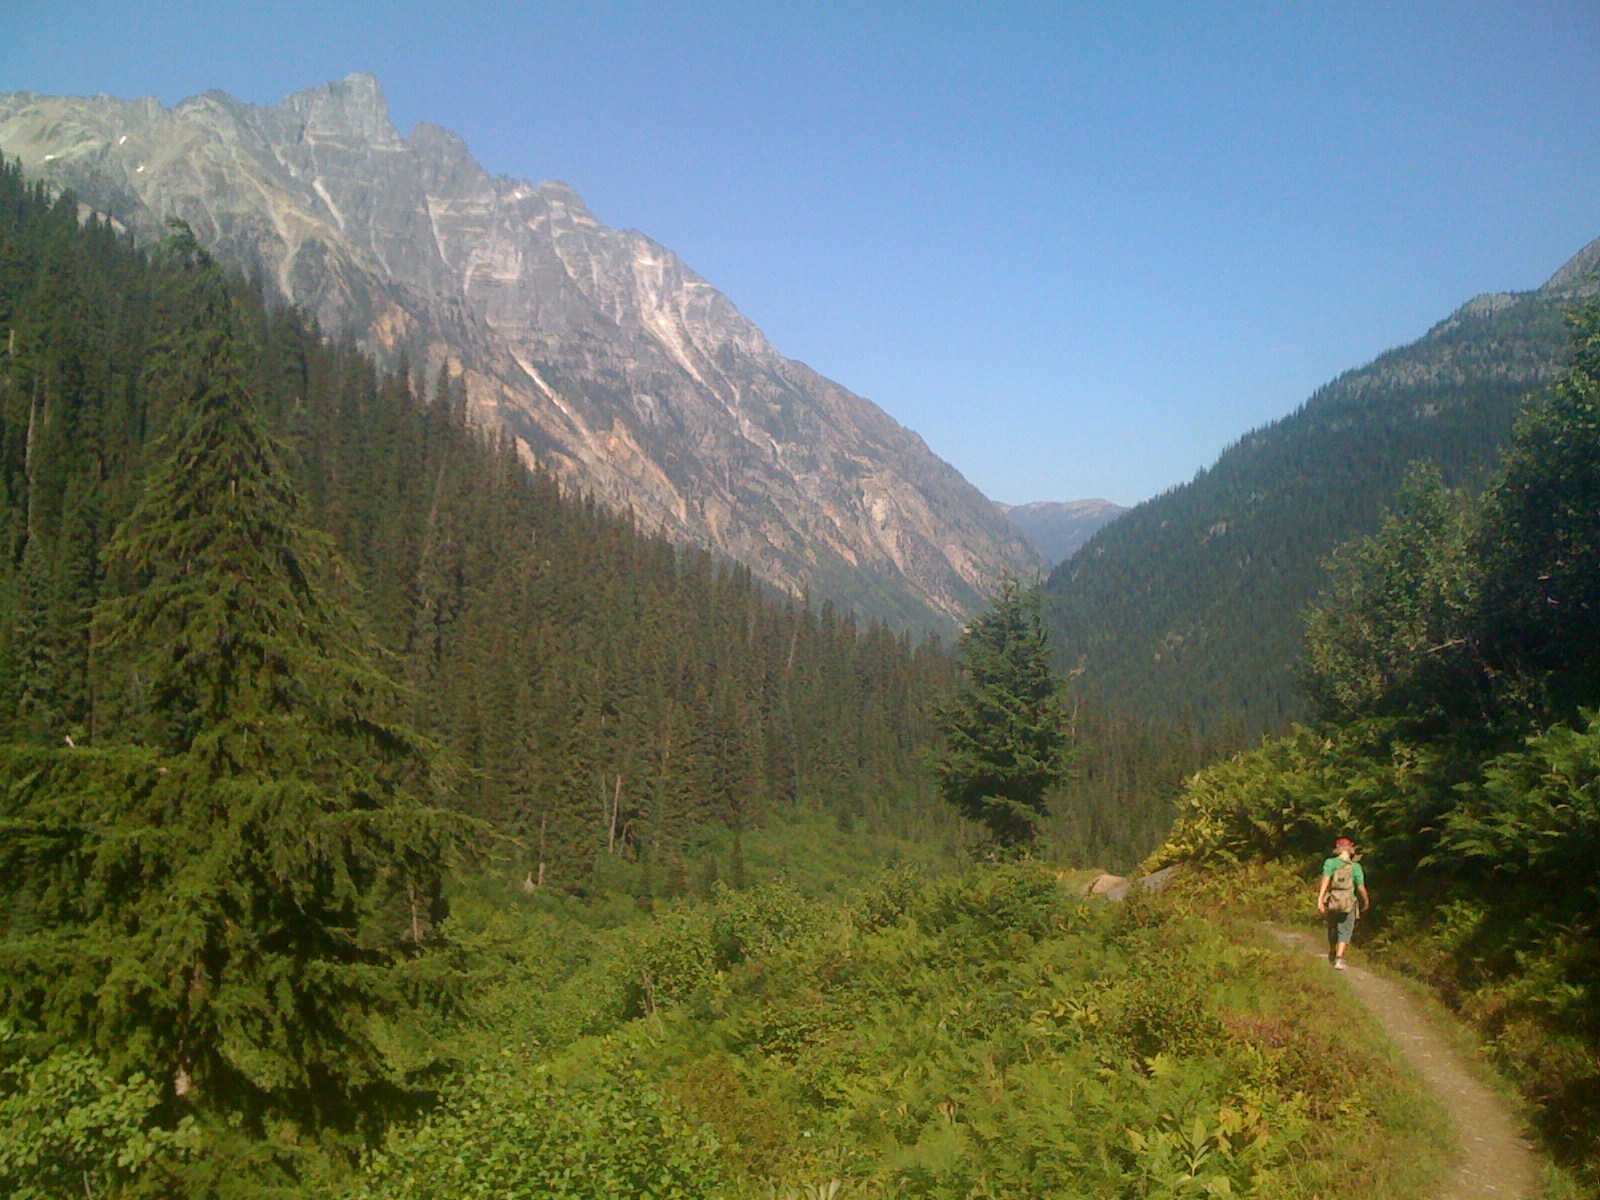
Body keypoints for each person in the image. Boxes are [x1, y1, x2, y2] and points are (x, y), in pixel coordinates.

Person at [1316, 836, 1371, 969]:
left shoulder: (1330, 863)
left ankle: (1333, 951)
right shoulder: (1356, 867)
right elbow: (1360, 887)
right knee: (1345, 929)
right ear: (1350, 849)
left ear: (1338, 849)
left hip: (1333, 900)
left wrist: (1320, 899)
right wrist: (1366, 900)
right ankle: (1339, 959)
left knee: (1333, 927)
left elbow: (1325, 881)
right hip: (1348, 902)